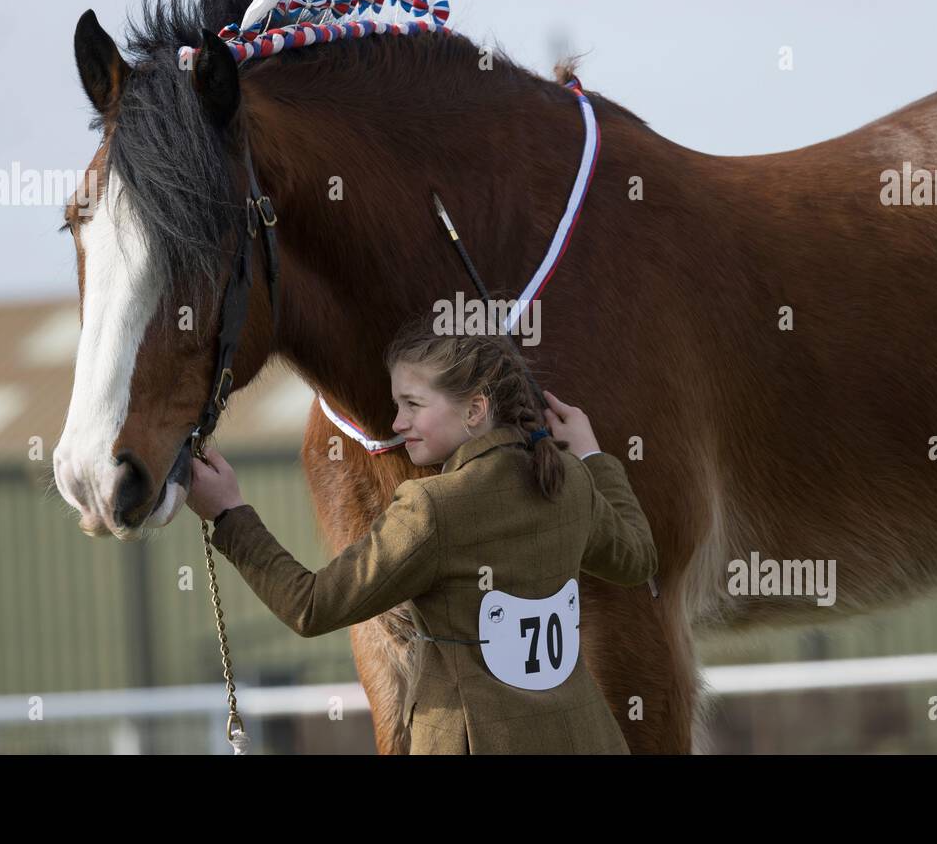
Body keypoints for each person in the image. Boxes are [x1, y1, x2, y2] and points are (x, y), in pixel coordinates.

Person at [187, 318, 658, 754]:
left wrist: (230, 515)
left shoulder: (432, 509)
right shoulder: (571, 482)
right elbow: (637, 558)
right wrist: (594, 457)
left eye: (413, 404)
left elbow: (310, 606)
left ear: (475, 410)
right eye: (397, 405)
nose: (397, 423)